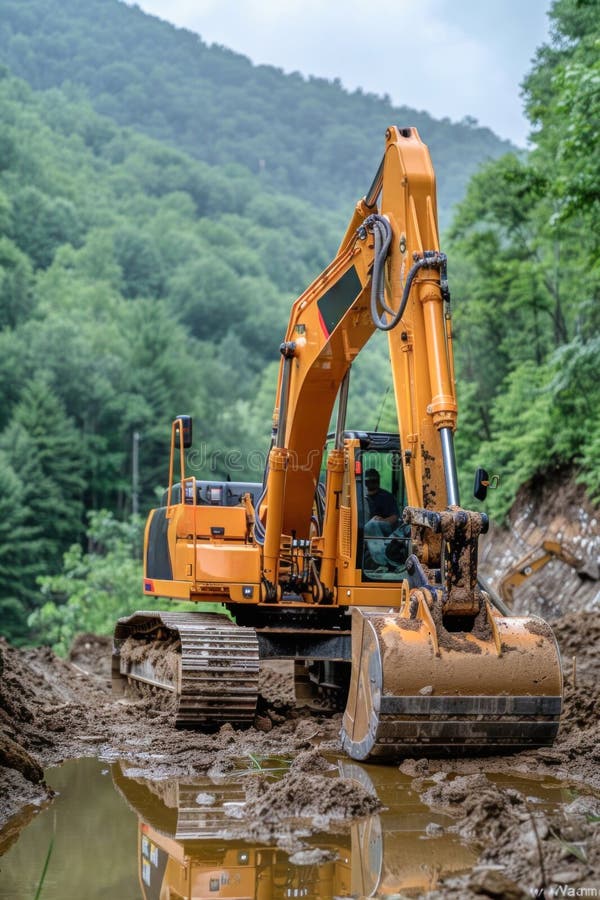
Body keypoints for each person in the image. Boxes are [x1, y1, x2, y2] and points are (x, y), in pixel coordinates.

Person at [363, 468, 399, 568]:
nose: (371, 483)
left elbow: (395, 517)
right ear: (365, 482)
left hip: (384, 531)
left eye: (374, 480)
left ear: (378, 481)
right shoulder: (360, 498)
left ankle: (382, 560)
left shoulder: (387, 497)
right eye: (369, 481)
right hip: (364, 532)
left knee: (373, 524)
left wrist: (382, 521)